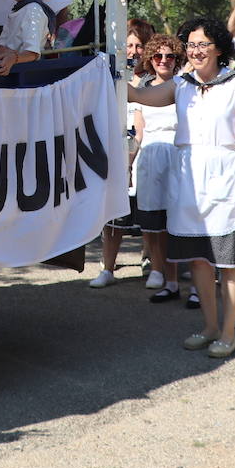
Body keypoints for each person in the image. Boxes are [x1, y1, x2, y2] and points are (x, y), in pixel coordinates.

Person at [128, 17, 235, 359]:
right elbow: (140, 95)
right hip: (188, 177)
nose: (196, 51)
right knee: (199, 260)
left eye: (203, 44)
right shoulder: (180, 85)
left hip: (226, 174)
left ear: (218, 48)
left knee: (228, 260)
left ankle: (229, 333)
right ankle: (210, 327)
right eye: (191, 45)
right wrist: (109, 71)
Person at [90, 17, 153, 288]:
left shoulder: (152, 79)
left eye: (140, 45)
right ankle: (108, 266)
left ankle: (149, 259)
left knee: (149, 213)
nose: (134, 51)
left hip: (145, 151)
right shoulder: (110, 74)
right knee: (113, 215)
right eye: (129, 44)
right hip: (116, 149)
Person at [132, 33, 183, 301]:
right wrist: (129, 163)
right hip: (149, 155)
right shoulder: (142, 89)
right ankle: (156, 268)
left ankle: (174, 271)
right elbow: (138, 133)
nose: (164, 60)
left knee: (172, 219)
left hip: (175, 154)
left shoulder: (184, 86)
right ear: (150, 60)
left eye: (170, 56)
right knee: (151, 220)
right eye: (158, 56)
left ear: (177, 60)